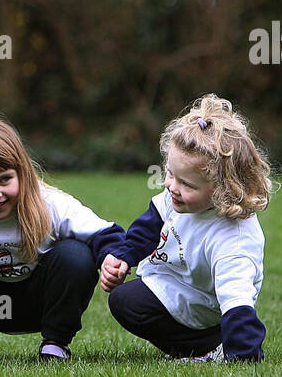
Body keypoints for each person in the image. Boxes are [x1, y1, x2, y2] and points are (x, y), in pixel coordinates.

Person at [0, 114, 123, 360]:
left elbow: (106, 233)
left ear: (22, 171)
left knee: (76, 255)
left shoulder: (51, 204)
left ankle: (55, 343)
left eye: (4, 179)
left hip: (39, 303)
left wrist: (112, 259)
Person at [100, 93, 273, 362]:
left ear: (223, 190)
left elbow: (237, 303)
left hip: (204, 307)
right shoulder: (175, 199)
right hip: (174, 284)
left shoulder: (232, 240)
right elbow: (149, 226)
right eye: (170, 173)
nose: (171, 187)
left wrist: (243, 355)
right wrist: (124, 256)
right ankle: (201, 346)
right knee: (125, 301)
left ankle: (211, 344)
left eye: (187, 184)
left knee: (129, 303)